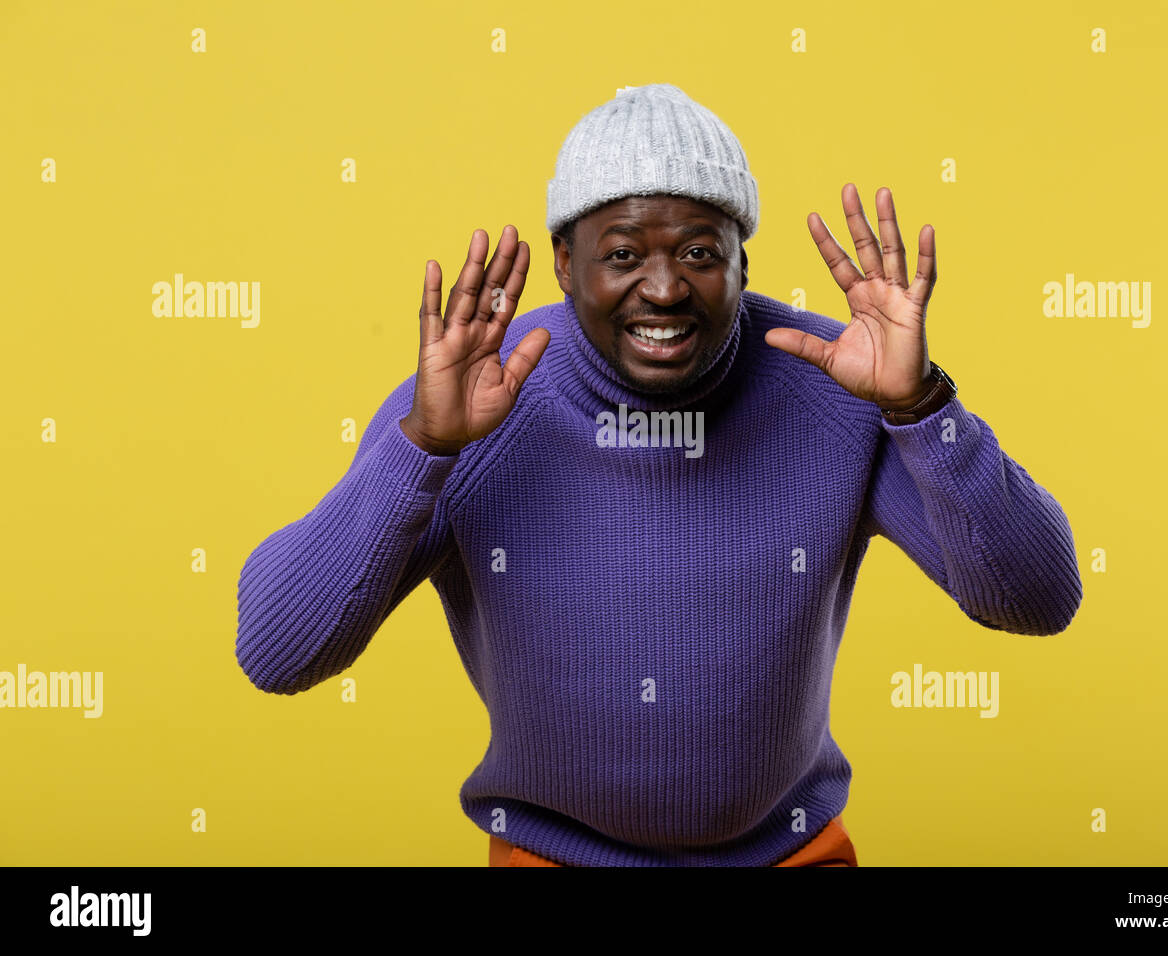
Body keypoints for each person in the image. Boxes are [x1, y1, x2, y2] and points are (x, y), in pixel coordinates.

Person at [235, 83, 1083, 867]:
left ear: (744, 262)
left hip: (787, 855)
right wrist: (421, 447)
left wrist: (921, 408)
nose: (666, 287)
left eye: (700, 251)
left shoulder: (838, 385)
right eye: (624, 254)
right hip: (551, 857)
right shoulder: (474, 400)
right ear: (566, 264)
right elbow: (276, 651)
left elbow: (1039, 600)